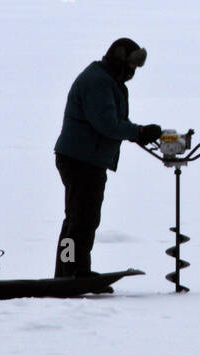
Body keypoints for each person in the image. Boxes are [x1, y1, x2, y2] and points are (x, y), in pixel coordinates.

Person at [53, 38, 161, 278]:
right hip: (80, 160)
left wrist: (138, 133)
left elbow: (112, 122)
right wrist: (139, 132)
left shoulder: (108, 80)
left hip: (85, 159)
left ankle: (67, 271)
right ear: (119, 60)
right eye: (131, 66)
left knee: (78, 219)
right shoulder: (98, 82)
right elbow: (107, 124)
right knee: (80, 220)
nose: (132, 72)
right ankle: (73, 273)